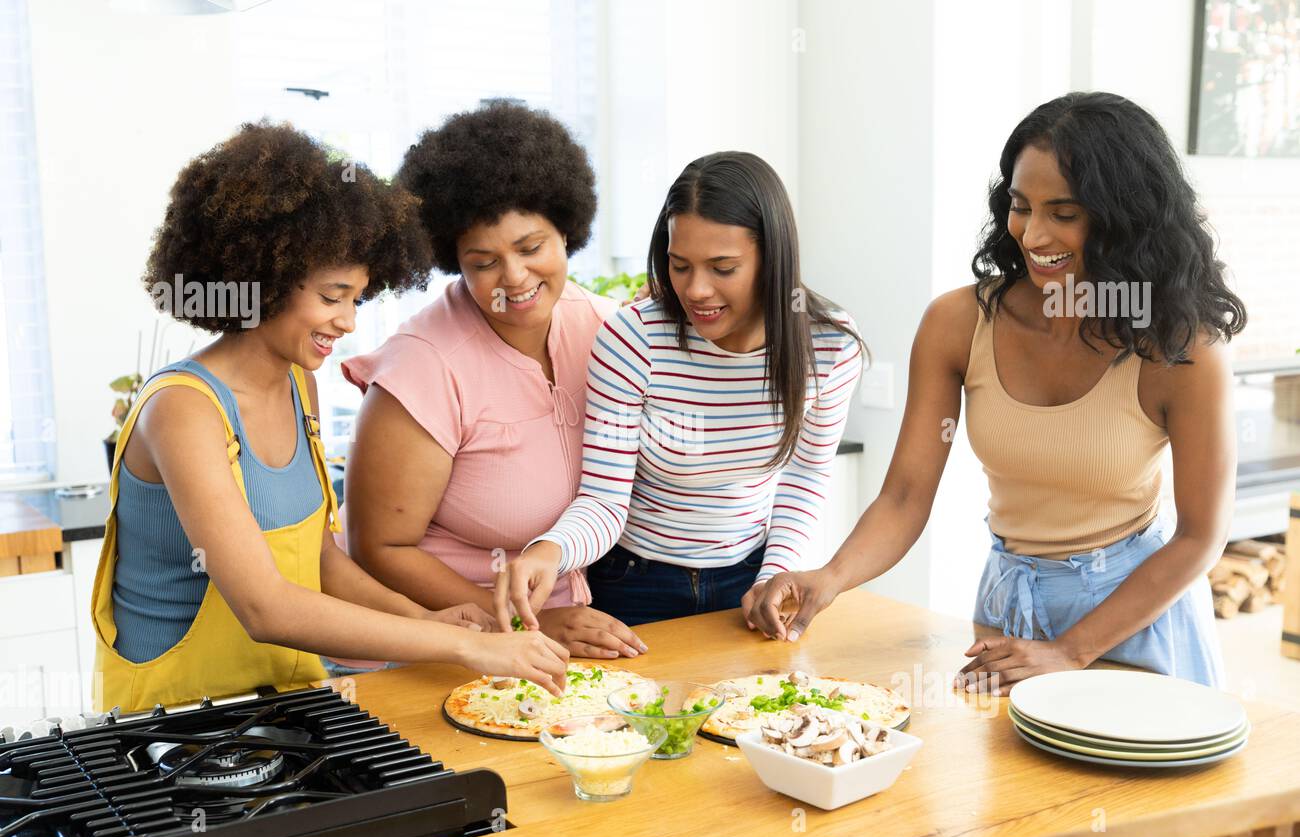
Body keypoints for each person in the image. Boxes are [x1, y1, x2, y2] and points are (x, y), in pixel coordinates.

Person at [749, 92, 1245, 691]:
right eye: (1020, 206)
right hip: (1009, 612)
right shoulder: (958, 323)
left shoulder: (1181, 347)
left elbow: (1201, 535)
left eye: (1063, 213)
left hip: (1134, 620)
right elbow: (906, 496)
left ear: (1126, 216)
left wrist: (1070, 650)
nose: (1033, 234)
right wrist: (829, 577)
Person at [92, 122, 569, 713]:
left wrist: (430, 618)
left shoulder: (299, 384)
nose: (347, 322)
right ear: (260, 281)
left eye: (357, 299)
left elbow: (319, 560)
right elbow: (265, 606)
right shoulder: (183, 410)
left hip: (280, 705)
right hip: (174, 723)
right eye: (330, 296)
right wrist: (458, 646)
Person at [494, 151, 866, 630]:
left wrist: (775, 575)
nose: (696, 291)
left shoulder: (829, 344)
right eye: (680, 266)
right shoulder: (634, 338)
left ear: (774, 258)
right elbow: (605, 499)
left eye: (723, 268)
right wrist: (551, 551)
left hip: (750, 580)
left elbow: (805, 477)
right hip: (634, 582)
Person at [338, 101, 644, 666]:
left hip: (578, 631)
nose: (516, 278)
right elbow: (380, 547)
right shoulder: (424, 367)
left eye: (532, 248)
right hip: (440, 644)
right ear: (454, 260)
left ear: (567, 231)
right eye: (484, 263)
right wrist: (522, 623)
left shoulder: (609, 330)